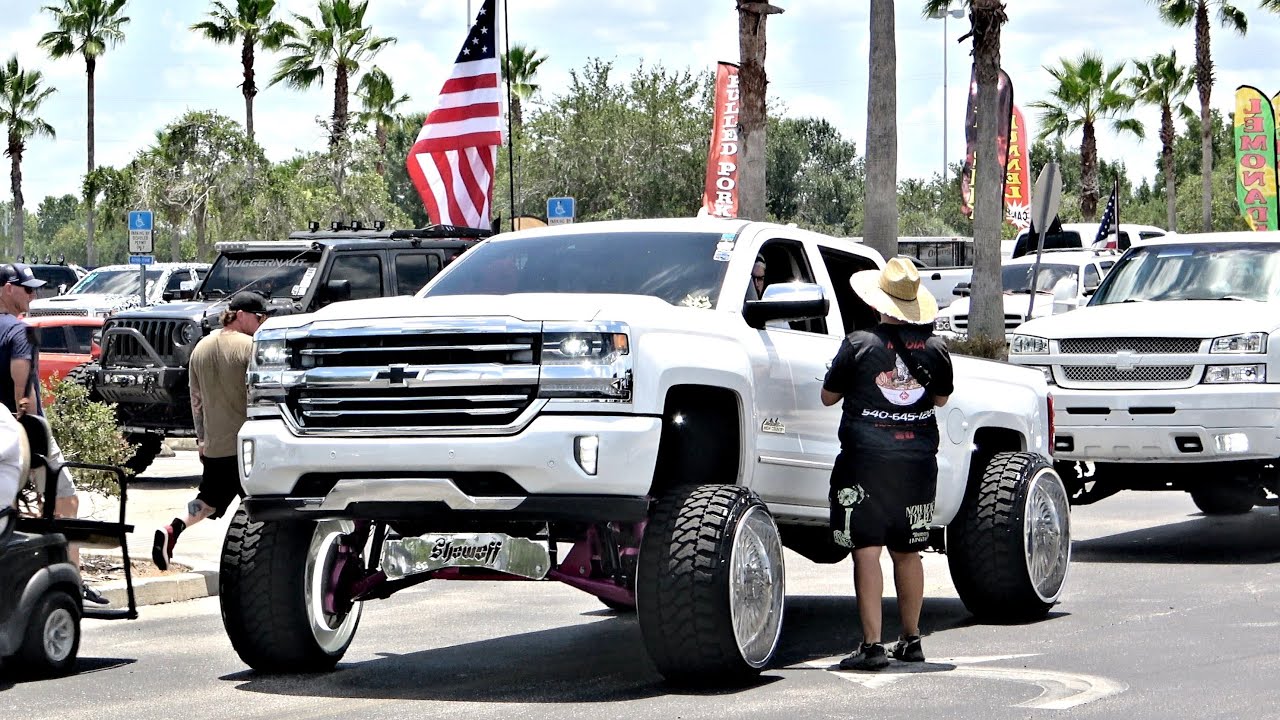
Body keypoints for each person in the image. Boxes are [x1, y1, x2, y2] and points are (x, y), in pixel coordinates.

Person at [820, 256, 954, 671]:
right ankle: (912, 640)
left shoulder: (860, 344)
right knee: (909, 552)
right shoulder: (935, 348)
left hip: (866, 463)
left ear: (880, 303)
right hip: (916, 464)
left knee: (867, 551)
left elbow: (828, 397)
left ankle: (873, 646)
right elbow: (941, 399)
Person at [0, 263, 108, 604]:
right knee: (66, 501)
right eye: (27, 289)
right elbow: (24, 395)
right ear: (6, 289)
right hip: (24, 435)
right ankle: (71, 581)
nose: (34, 295)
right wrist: (34, 443)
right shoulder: (20, 332)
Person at [152, 291, 274, 570]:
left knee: (207, 501)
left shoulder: (200, 348)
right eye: (259, 317)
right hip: (250, 446)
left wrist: (202, 441)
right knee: (262, 506)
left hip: (216, 446)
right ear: (241, 315)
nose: (262, 322)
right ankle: (257, 566)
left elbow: (196, 401)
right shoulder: (252, 346)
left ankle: (173, 529)